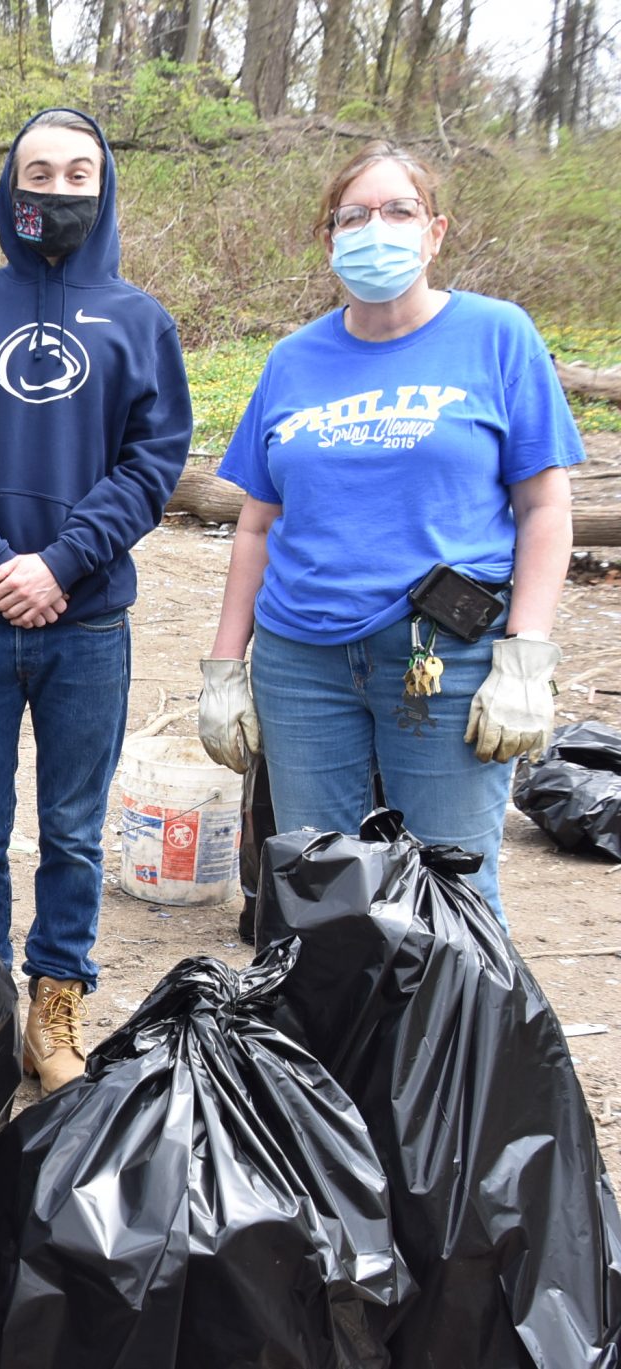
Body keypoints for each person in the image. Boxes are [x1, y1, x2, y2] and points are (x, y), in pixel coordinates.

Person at [199, 141, 578, 919]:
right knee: (321, 891)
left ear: (435, 231)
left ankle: (454, 1046)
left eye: (398, 210)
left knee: (451, 891)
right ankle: (329, 1045)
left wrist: (527, 657)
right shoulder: (292, 361)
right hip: (302, 662)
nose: (378, 228)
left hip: (443, 660)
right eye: (355, 215)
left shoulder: (497, 336)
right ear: (330, 238)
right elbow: (257, 526)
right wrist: (224, 667)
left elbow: (545, 506)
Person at [0, 108, 191, 1092]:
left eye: (76, 173)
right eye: (38, 173)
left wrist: (60, 563)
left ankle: (52, 1008)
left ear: (100, 186)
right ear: (8, 188)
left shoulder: (138, 321)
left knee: (71, 829)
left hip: (88, 622)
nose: (55, 191)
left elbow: (152, 463)